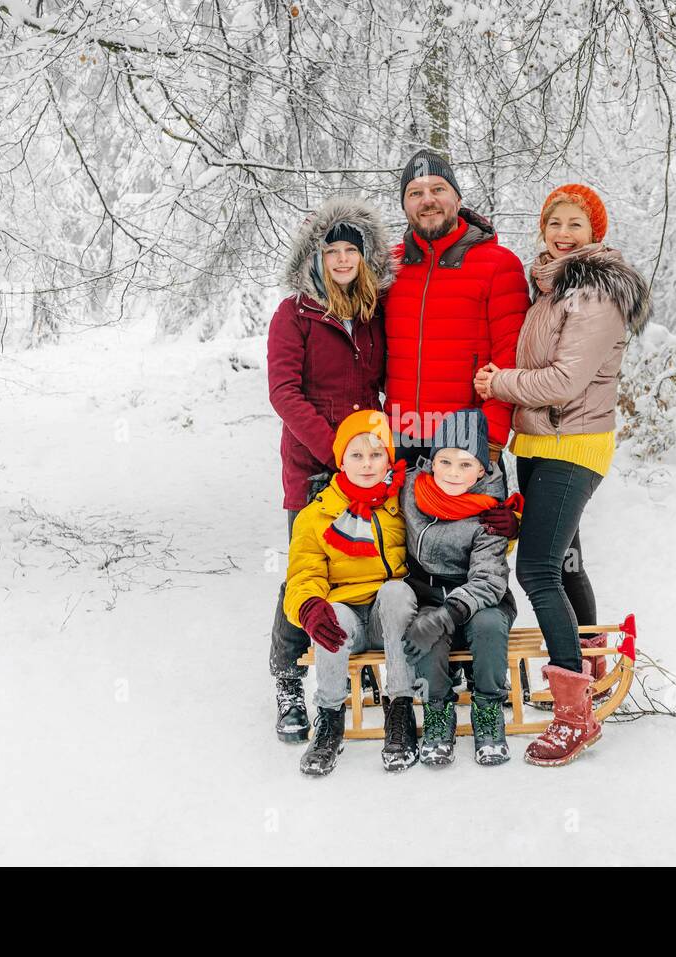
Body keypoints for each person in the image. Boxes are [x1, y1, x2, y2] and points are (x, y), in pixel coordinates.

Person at [475, 183, 651, 767]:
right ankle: (588, 664)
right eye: (556, 222)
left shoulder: (595, 293)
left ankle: (575, 715)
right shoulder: (553, 287)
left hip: (573, 444)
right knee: (567, 558)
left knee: (537, 568)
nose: (564, 232)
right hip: (543, 441)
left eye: (577, 224)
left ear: (595, 234)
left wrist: (497, 383)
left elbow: (563, 381)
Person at [266, 197, 395, 743]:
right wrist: (335, 451)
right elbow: (284, 393)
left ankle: (352, 668)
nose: (342, 259)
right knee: (306, 570)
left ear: (365, 258)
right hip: (316, 468)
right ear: (314, 258)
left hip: (367, 469)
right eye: (332, 250)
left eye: (352, 250)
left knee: (366, 566)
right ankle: (289, 680)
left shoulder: (371, 313)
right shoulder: (293, 315)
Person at [284, 410, 421, 776]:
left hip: (386, 618)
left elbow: (451, 540)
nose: (366, 464)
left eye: (376, 454)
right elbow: (302, 576)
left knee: (396, 592)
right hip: (347, 620)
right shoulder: (315, 516)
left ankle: (400, 710)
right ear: (341, 459)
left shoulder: (404, 503)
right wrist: (309, 606)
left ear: (389, 459)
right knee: (332, 613)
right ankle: (329, 720)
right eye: (356, 455)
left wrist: (505, 528)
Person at [383, 149, 529, 470]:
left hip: (466, 436)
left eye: (438, 189)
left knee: (468, 523)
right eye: (415, 193)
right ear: (405, 205)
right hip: (399, 432)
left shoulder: (499, 264)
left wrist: (489, 437)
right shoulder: (389, 265)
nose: (427, 200)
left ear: (458, 199)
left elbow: (510, 356)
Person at [398, 410, 521, 767]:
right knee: (426, 632)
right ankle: (438, 712)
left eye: (466, 464)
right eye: (445, 461)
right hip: (427, 594)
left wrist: (447, 614)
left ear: (482, 469)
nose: (453, 472)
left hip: (481, 599)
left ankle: (487, 708)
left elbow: (488, 580)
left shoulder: (489, 512)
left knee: (486, 626)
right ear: (431, 462)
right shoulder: (411, 488)